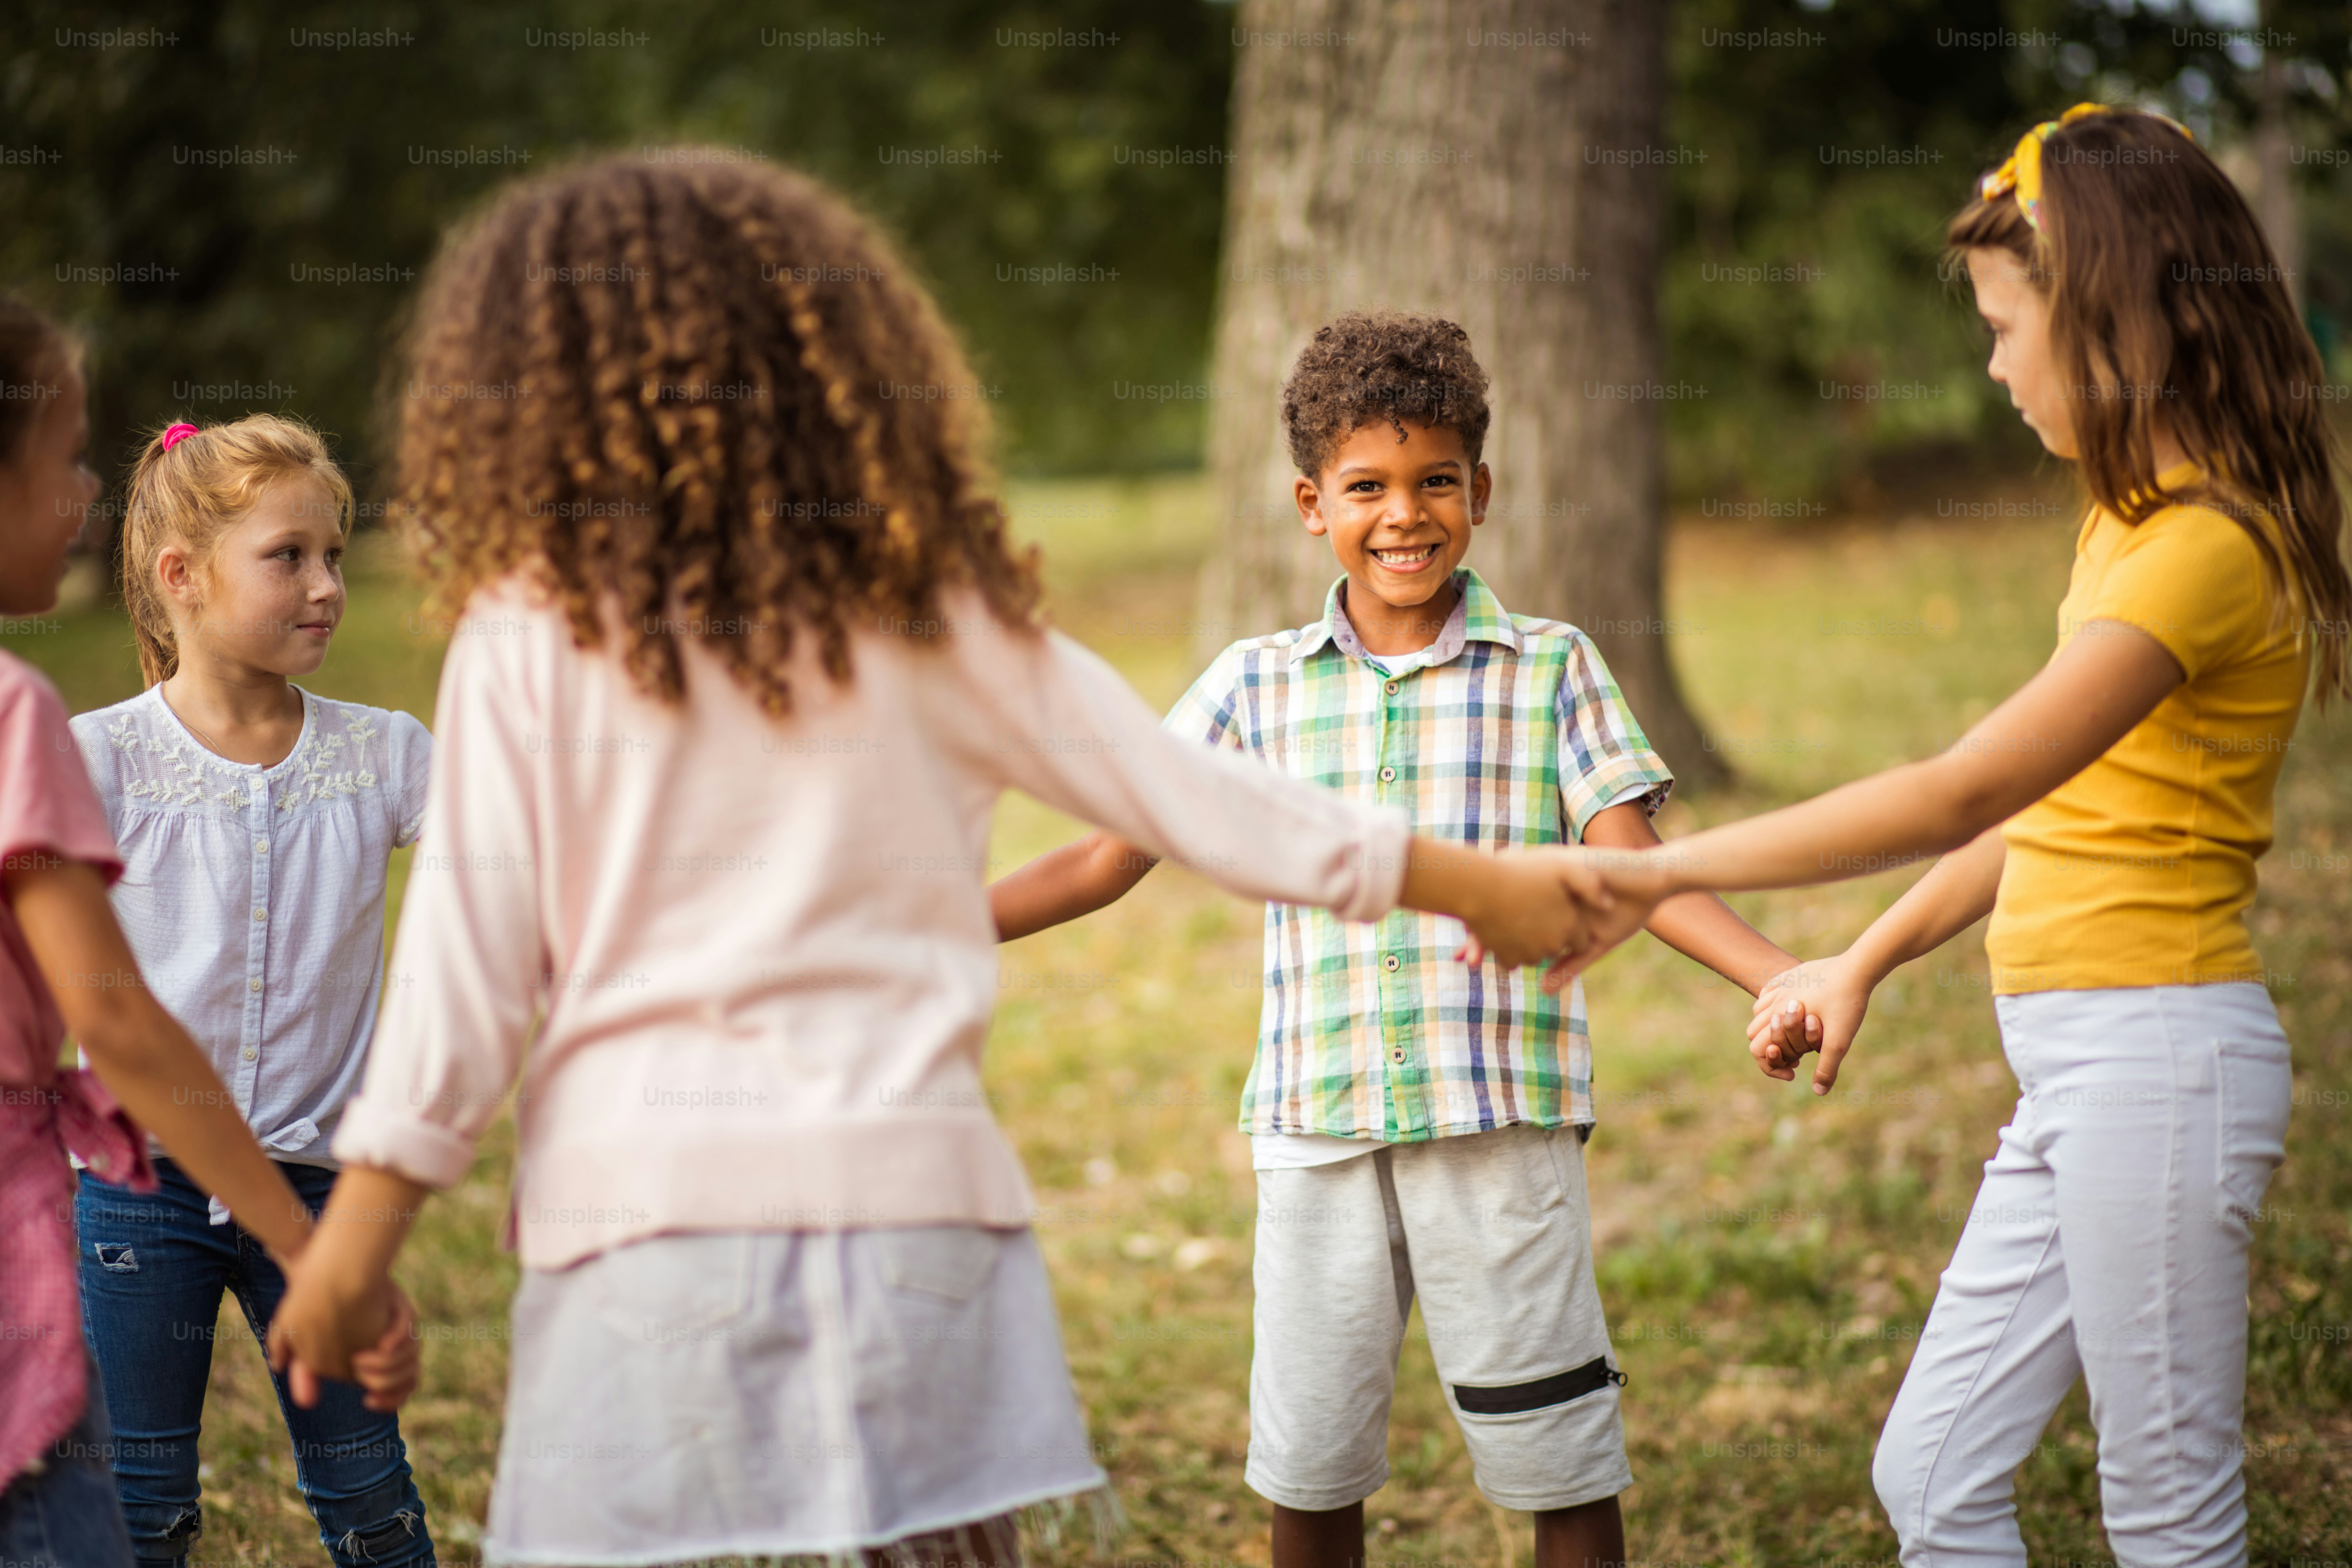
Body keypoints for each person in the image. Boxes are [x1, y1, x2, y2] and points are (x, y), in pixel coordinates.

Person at [258, 153, 1604, 1567]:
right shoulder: (922, 609)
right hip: (908, 1217)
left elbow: (462, 987)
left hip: (637, 1213)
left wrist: (356, 1243)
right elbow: (1196, 800)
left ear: (521, 394)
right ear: (832, 363)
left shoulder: (525, 639)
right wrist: (1477, 882)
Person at [1549, 106, 2347, 1566]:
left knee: (2170, 1521)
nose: (1989, 366)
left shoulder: (2199, 550)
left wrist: (1654, 866)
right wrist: (1859, 958)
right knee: (1930, 1477)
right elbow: (2049, 811)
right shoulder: (2132, 525)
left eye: (2001, 326)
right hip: (2084, 1070)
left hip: (2156, 1064)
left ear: (2107, 326)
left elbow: (1960, 789)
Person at [991, 309, 1807, 1568]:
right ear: (1311, 502)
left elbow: (1638, 870)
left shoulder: (1549, 668)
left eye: (1435, 481)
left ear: (1479, 488)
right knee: (1309, 1472)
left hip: (1499, 1127)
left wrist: (1778, 971)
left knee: (1560, 1464)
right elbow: (1110, 853)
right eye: (1366, 486)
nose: (1403, 514)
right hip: (1315, 1131)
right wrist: (934, 923)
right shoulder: (1253, 684)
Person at [0, 306, 410, 1566]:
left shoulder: (386, 752)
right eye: (290, 557)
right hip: (140, 1199)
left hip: (321, 1188)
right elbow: (107, 1015)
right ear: (182, 577)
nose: (330, 585)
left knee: (373, 1499)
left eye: (335, 554)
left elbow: (542, 861)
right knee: (143, 1507)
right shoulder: (93, 754)